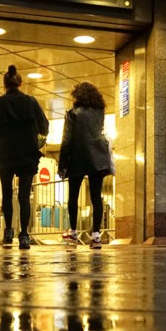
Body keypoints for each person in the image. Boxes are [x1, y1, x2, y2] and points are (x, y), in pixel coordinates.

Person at [0, 65, 49, 249]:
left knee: (6, 194)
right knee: (24, 195)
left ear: (5, 84)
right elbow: (44, 125)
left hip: (5, 155)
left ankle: (8, 232)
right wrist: (38, 139)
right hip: (27, 154)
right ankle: (24, 235)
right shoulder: (31, 102)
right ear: (20, 83)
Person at [57, 81, 114, 249]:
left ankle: (73, 233)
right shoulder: (100, 112)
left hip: (77, 158)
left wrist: (62, 164)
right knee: (96, 197)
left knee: (73, 197)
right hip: (97, 158)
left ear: (77, 96)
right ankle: (96, 236)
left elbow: (66, 140)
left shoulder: (73, 114)